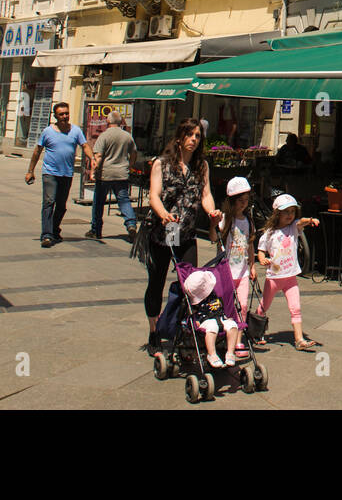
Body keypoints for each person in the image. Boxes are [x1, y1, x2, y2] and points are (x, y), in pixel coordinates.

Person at [143, 118, 219, 353]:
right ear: (179, 138)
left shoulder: (201, 166)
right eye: (190, 135)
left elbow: (206, 194)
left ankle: (181, 326)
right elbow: (154, 195)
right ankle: (154, 330)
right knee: (156, 282)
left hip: (185, 232)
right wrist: (163, 213)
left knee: (191, 283)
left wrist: (212, 211)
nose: (194, 140)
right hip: (163, 230)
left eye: (198, 136)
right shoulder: (162, 164)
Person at [255, 193, 321, 351]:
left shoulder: (293, 227)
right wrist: (263, 259)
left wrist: (311, 220)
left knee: (295, 308)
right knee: (264, 306)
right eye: (286, 212)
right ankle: (256, 332)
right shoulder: (269, 232)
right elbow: (261, 250)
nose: (290, 215)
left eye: (292, 211)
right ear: (277, 213)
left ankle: (299, 339)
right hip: (274, 277)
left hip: (290, 277)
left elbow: (302, 222)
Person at [24, 102, 95, 249]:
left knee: (61, 205)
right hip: (50, 173)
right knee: (49, 202)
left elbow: (85, 146)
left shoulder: (75, 131)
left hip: (67, 174)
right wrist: (30, 171)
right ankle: (47, 235)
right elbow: (37, 151)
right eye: (61, 114)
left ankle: (55, 229)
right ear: (55, 116)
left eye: (66, 113)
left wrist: (92, 159)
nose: (65, 116)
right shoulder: (47, 132)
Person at [213, 176, 256, 353]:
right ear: (231, 201)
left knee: (243, 306)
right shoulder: (225, 219)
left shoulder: (248, 221)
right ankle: (226, 338)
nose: (243, 204)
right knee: (227, 306)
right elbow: (214, 238)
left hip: (243, 272)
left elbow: (250, 244)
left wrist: (252, 265)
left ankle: (238, 340)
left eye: (246, 201)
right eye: (240, 201)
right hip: (226, 272)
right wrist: (213, 224)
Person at [86, 110, 139, 241]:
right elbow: (134, 153)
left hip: (105, 174)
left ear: (108, 121)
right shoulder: (127, 136)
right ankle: (131, 224)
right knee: (124, 200)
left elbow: (98, 156)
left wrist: (93, 171)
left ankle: (96, 229)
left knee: (99, 202)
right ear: (121, 122)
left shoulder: (104, 136)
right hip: (121, 174)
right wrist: (130, 165)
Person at [183, 270, 240, 369]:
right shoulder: (196, 304)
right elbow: (192, 314)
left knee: (233, 326)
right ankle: (212, 354)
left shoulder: (214, 295)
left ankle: (230, 352)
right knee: (212, 327)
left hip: (221, 318)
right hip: (206, 321)